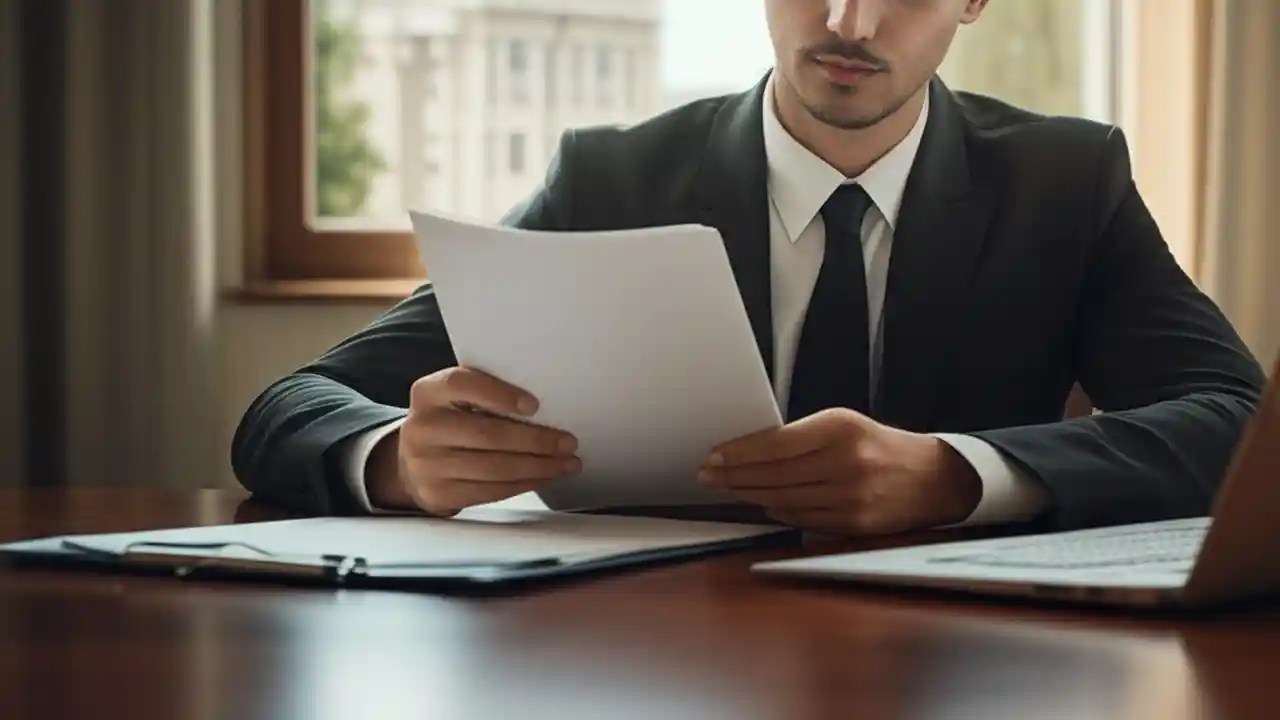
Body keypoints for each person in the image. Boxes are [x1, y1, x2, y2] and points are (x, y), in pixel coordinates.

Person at [232, 0, 1265, 535]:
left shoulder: (1066, 180)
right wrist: (395, 462)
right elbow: (289, 408)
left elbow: (1235, 421)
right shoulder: (608, 179)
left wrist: (957, 475)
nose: (847, 24)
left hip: (964, 676)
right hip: (646, 667)